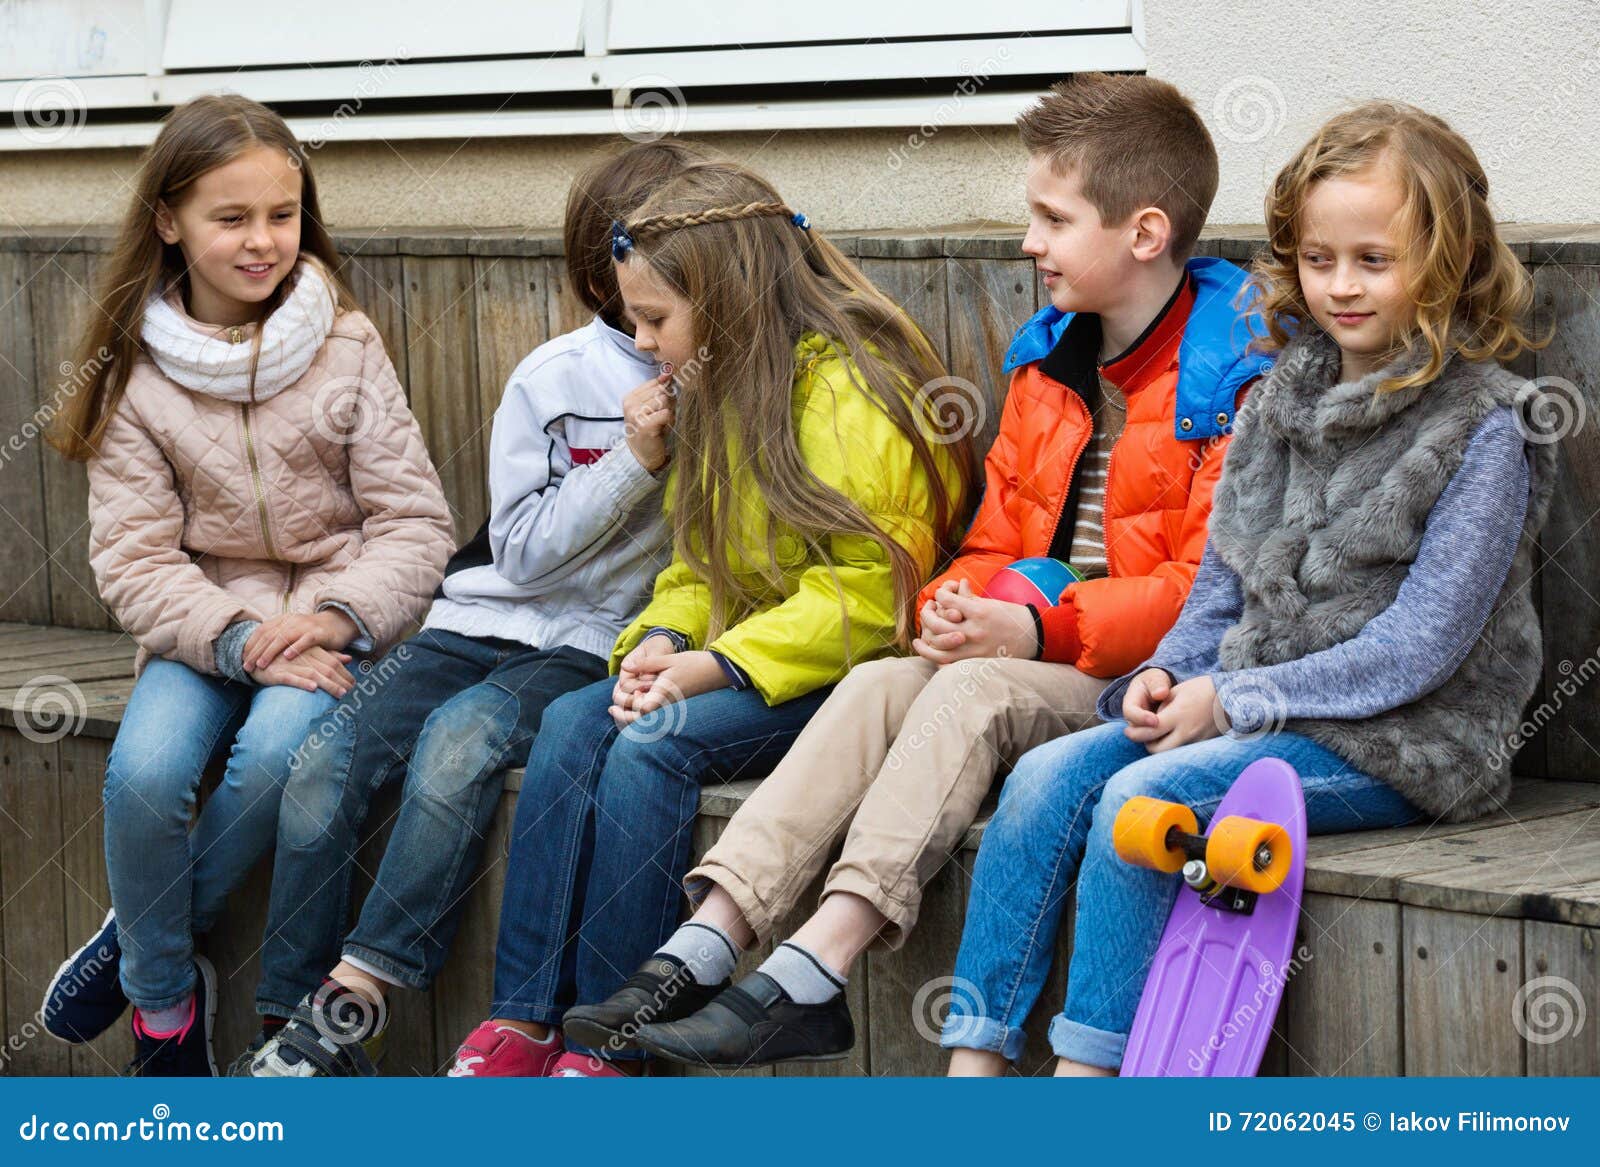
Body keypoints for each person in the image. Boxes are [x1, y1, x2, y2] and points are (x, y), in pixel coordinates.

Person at [604, 72, 1273, 1069]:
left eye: (1053, 219)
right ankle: (708, 936)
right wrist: (952, 603)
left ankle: (817, 966)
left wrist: (1034, 629)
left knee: (972, 689)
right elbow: (994, 539)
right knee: (880, 680)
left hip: (1149, 681)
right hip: (1032, 645)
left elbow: (1209, 591)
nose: (1029, 242)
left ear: (1143, 233)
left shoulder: (1236, 378)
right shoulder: (1048, 362)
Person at [941, 100, 1553, 1078]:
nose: (1340, 286)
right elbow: (1219, 587)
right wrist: (1168, 674)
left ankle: (1089, 1077)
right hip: (1251, 709)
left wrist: (1231, 699)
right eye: (1318, 259)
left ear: (1449, 261)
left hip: (1402, 743)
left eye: (1374, 260)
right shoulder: (1274, 400)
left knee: (1141, 798)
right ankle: (971, 1069)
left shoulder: (1485, 427)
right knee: (1046, 777)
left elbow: (1418, 648)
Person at [449, 159, 972, 1077]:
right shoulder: (724, 383)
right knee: (574, 719)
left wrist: (718, 665)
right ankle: (526, 1016)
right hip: (743, 655)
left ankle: (614, 1043)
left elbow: (869, 592)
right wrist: (664, 639)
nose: (641, 340)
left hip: (838, 677)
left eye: (655, 318)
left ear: (726, 301)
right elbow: (698, 564)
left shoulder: (852, 392)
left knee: (653, 746)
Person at [238, 141, 705, 1077]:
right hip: (474, 619)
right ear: (603, 272)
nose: (650, 324)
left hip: (586, 645)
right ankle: (286, 1027)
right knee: (324, 758)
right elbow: (519, 551)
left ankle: (351, 1007)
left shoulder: (720, 378)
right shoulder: (553, 376)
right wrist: (632, 462)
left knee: (459, 745)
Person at [39, 94, 454, 1076]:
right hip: (204, 624)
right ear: (168, 221)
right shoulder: (136, 372)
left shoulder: (345, 343)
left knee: (276, 757)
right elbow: (135, 559)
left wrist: (335, 618)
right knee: (143, 775)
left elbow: (413, 523)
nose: (263, 240)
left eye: (282, 214)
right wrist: (235, 638)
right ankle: (165, 1012)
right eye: (231, 218)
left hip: (325, 622)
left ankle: (140, 939)